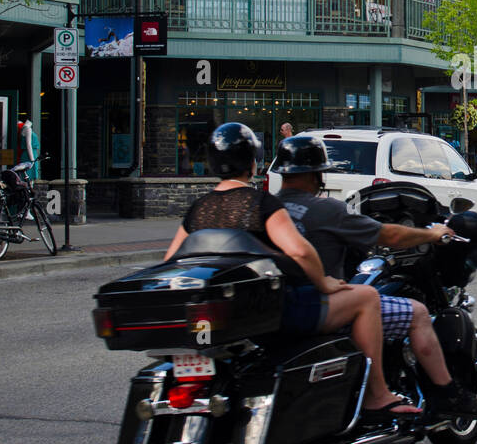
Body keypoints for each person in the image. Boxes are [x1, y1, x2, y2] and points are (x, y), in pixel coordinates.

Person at [164, 123, 420, 421]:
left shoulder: (200, 208)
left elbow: (172, 262)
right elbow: (299, 251)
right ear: (252, 163)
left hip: (222, 316)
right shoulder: (260, 204)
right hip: (264, 310)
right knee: (365, 298)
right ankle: (377, 397)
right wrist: (324, 283)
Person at [270, 135, 477, 419]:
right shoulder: (326, 209)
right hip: (318, 305)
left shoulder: (269, 210)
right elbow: (389, 234)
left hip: (278, 306)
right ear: (317, 173)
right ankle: (445, 396)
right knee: (417, 313)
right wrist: (432, 234)